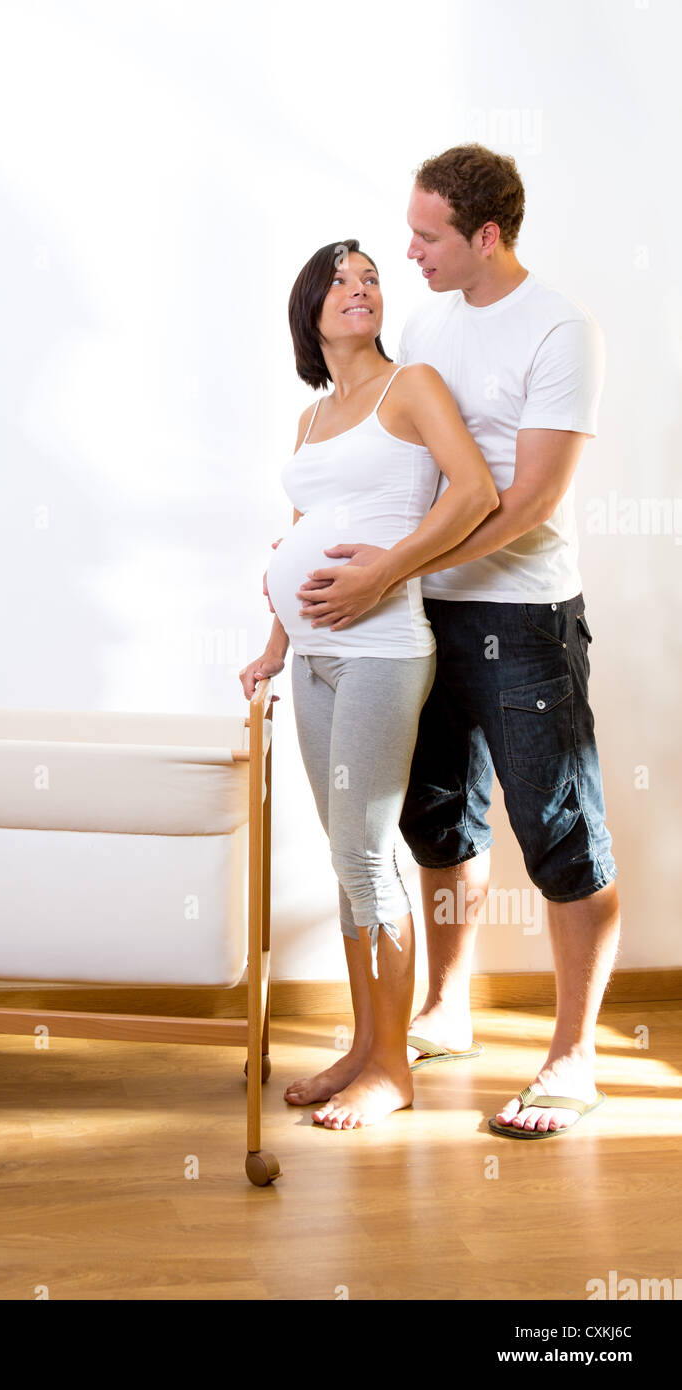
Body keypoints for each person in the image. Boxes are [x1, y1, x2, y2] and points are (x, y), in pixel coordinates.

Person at [293, 145, 620, 1138]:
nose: (406, 253)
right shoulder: (429, 319)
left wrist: (393, 566)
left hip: (521, 619)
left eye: (427, 235)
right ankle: (445, 1003)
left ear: (484, 236)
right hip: (418, 620)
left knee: (560, 833)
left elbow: (528, 501)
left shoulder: (559, 329)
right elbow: (389, 462)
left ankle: (571, 1058)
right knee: (438, 825)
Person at [238, 238, 498, 1130]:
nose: (360, 290)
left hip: (383, 646)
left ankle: (392, 1067)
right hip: (311, 653)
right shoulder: (311, 419)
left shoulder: (411, 386)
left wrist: (384, 570)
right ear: (309, 309)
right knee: (348, 861)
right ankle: (362, 1045)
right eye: (340, 281)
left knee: (364, 852)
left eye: (370, 278)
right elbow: (302, 530)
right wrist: (277, 636)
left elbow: (470, 495)